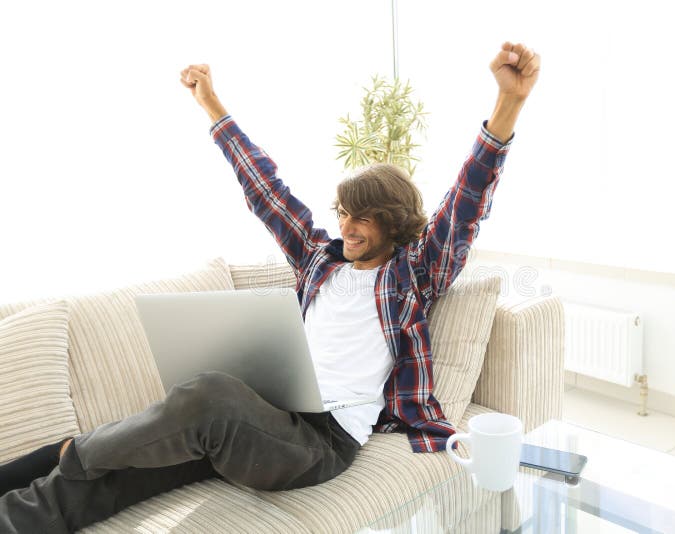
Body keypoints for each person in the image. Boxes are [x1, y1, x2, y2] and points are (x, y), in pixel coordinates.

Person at [0, 41, 540, 532]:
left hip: (320, 443)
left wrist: (508, 103)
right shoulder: (320, 261)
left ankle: (78, 453)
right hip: (266, 417)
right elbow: (265, 189)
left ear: (394, 222)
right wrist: (211, 104)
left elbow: (467, 202)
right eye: (343, 213)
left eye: (363, 218)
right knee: (125, 470)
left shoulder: (412, 276)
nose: (347, 227)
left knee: (207, 395)